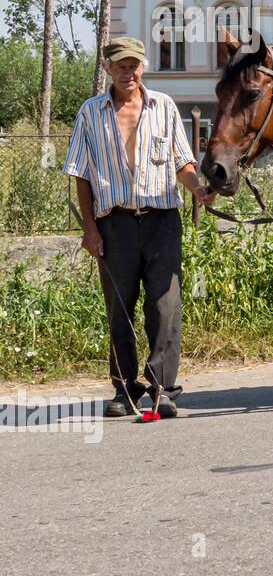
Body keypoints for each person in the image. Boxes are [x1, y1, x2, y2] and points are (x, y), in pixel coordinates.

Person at [62, 37, 216, 418]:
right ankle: (124, 388)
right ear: (108, 69)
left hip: (162, 220)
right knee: (119, 309)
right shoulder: (90, 112)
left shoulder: (163, 107)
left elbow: (183, 161)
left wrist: (198, 189)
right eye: (120, 66)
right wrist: (90, 229)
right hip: (113, 224)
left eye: (133, 65)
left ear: (142, 67)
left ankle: (163, 387)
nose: (127, 72)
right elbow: (80, 174)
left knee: (165, 306)